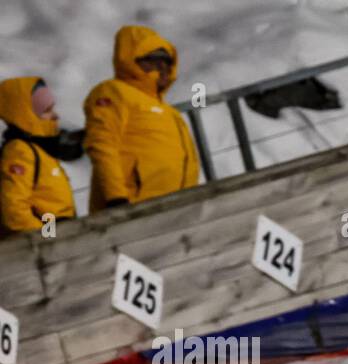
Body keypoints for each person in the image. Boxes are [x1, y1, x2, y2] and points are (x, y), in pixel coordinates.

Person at [83, 25, 199, 212]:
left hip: (175, 207)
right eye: (153, 60)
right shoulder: (113, 92)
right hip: (133, 208)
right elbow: (102, 144)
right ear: (131, 60)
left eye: (167, 61)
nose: (163, 67)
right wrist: (116, 198)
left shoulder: (168, 111)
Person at [0, 77, 79, 234]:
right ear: (25, 114)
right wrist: (49, 236)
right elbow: (14, 210)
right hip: (47, 246)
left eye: (52, 108)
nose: (55, 116)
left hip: (62, 235)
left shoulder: (41, 148)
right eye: (46, 111)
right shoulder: (20, 151)